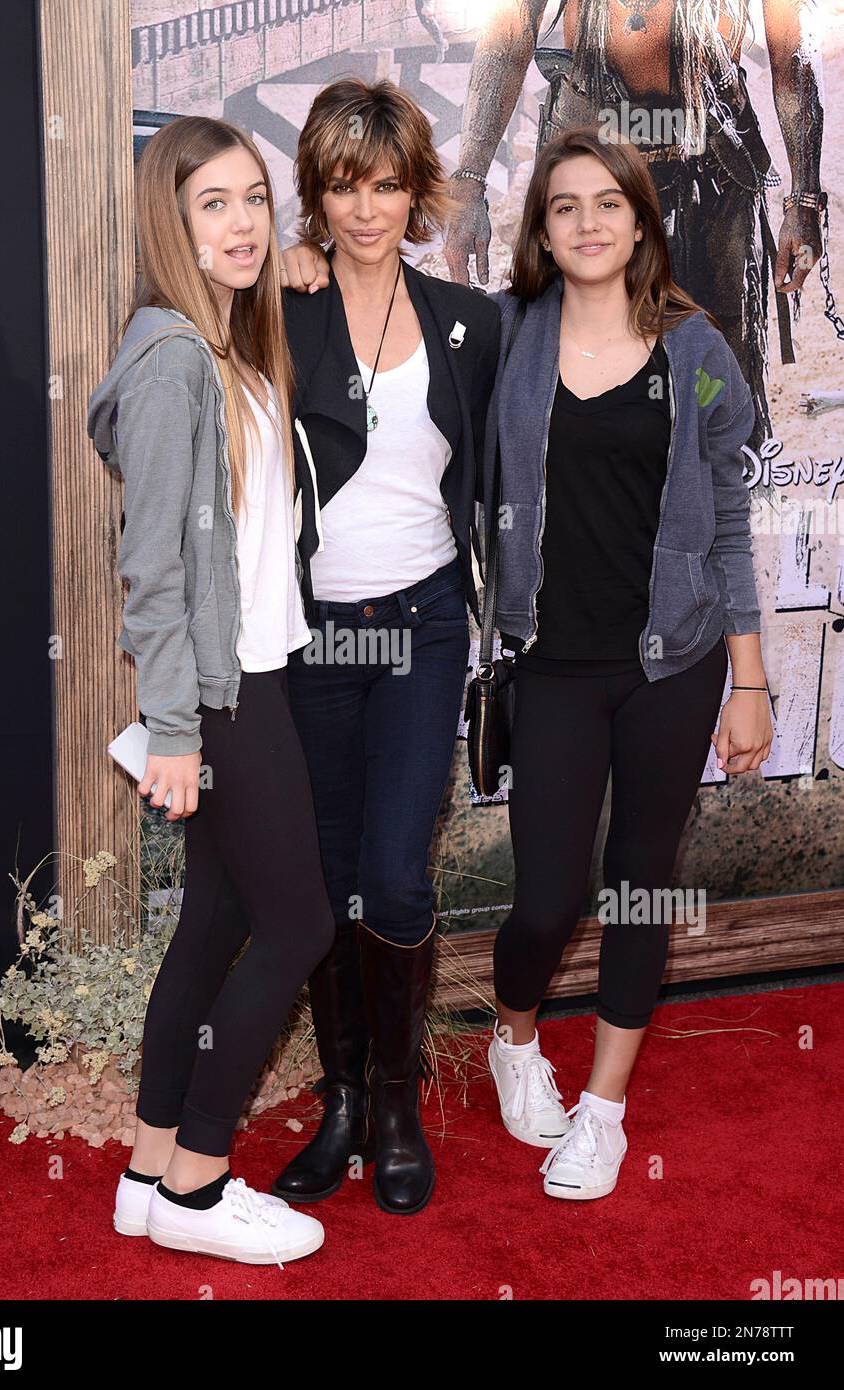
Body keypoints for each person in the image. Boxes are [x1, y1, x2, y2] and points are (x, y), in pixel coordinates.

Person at [482, 125, 772, 1199]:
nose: (589, 222)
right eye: (565, 207)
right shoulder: (506, 336)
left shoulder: (696, 354)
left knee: (643, 885)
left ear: (642, 220)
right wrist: (310, 257)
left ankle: (601, 1107)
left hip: (675, 660)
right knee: (547, 897)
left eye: (609, 202)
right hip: (552, 662)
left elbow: (731, 519)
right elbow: (392, 324)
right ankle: (514, 1037)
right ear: (543, 230)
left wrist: (748, 678)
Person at [87, 115, 335, 1264]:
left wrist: (295, 265)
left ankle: (146, 1166)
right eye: (212, 206)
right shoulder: (175, 361)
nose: (241, 225)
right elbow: (151, 573)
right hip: (227, 695)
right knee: (297, 923)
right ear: (170, 223)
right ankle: (196, 1184)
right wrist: (178, 731)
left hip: (248, 676)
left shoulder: (220, 346)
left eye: (253, 198)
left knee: (215, 923)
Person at [270, 78, 500, 1216]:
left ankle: (399, 1103)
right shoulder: (280, 303)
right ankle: (343, 1103)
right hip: (309, 635)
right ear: (316, 191)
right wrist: (272, 270)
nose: (365, 209)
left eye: (387, 185)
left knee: (396, 875)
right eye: (344, 186)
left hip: (419, 623)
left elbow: (508, 473)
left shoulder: (472, 318)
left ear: (417, 191)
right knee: (320, 881)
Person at [444, 0, 827, 454]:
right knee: (581, 396)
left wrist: (805, 199)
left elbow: (793, 55)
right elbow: (508, 36)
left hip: (712, 182)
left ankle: (717, 514)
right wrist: (468, 184)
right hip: (592, 180)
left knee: (718, 402)